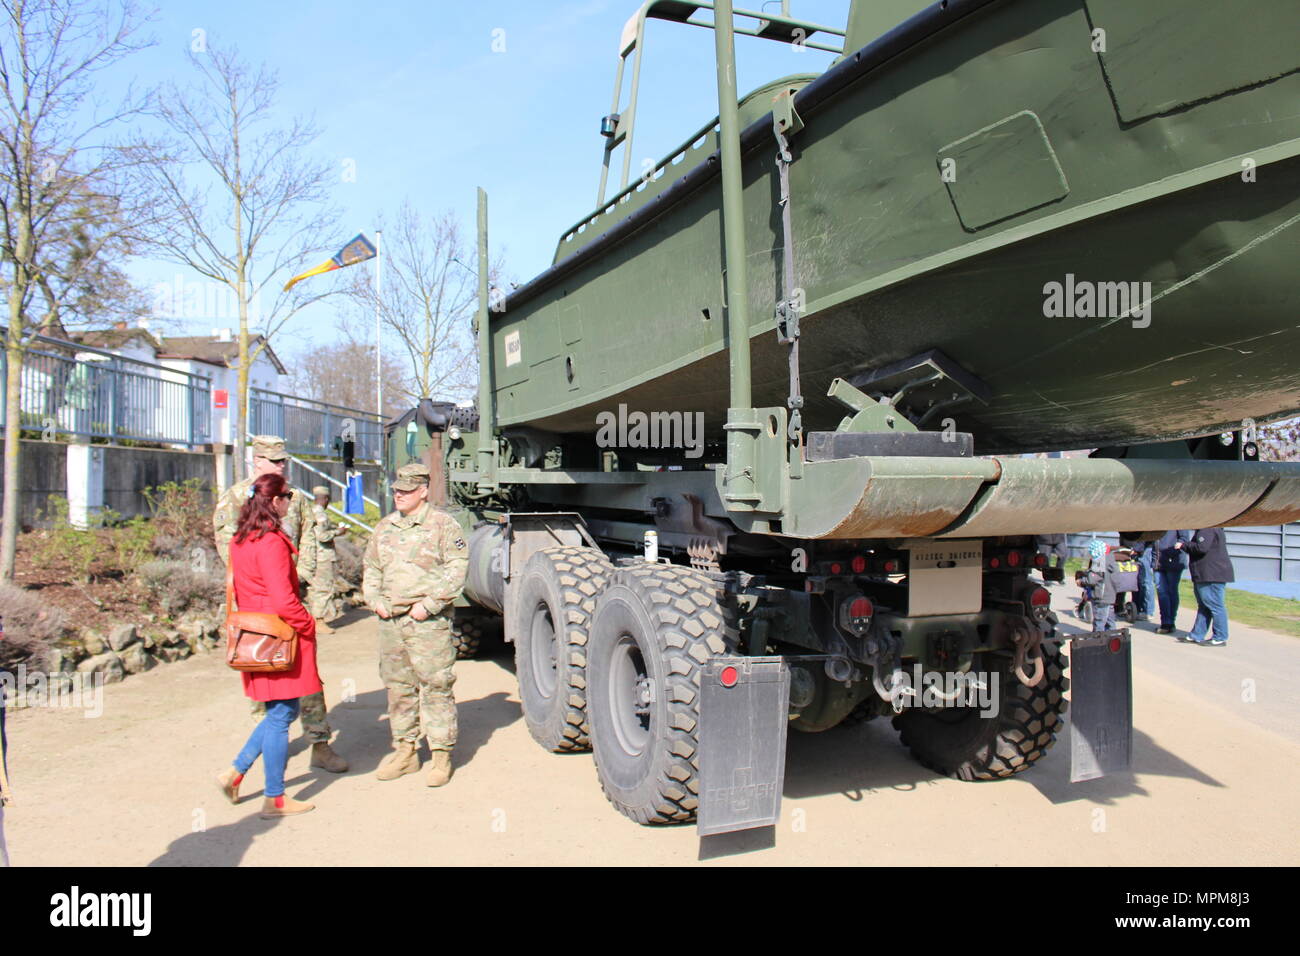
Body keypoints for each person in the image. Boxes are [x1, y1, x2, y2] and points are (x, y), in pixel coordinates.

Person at [213, 435, 347, 773]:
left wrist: (297, 577)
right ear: (256, 461)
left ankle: (319, 742)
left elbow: (310, 540)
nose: (281, 466)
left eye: (283, 460)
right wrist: (261, 584)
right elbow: (229, 548)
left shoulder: (295, 497)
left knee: (307, 679)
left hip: (289, 596)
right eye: (274, 462)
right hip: (256, 607)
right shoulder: (236, 498)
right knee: (265, 675)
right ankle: (273, 744)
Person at [216, 473, 322, 819]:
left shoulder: (240, 539)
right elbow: (283, 599)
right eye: (288, 495)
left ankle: (235, 773)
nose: (291, 501)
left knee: (280, 711)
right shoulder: (272, 542)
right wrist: (307, 624)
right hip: (278, 637)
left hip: (254, 635)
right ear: (275, 501)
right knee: (281, 716)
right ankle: (274, 797)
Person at [362, 462, 468, 787]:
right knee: (399, 689)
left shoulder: (443, 525)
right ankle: (405, 751)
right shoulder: (385, 527)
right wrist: (374, 600)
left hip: (427, 623)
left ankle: (440, 755)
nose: (399, 496)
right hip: (391, 622)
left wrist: (430, 604)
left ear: (422, 491)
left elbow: (457, 568)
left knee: (436, 688)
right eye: (396, 490)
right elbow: (371, 567)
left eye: (406, 491)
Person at [1181, 527, 1234, 646]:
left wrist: (1184, 545)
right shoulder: (1208, 528)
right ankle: (1197, 635)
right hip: (1206, 573)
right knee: (1204, 606)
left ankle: (1220, 636)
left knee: (1215, 605)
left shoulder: (1207, 529)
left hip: (1212, 574)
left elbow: (1202, 547)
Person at [306, 485, 347, 624]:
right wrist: (338, 532)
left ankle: (314, 618)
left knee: (315, 588)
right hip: (323, 556)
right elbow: (322, 536)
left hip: (313, 555)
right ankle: (319, 621)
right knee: (323, 588)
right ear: (326, 499)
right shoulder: (320, 514)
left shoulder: (310, 511)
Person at [1153, 530, 1192, 634]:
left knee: (1171, 591)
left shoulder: (1178, 521)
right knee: (1161, 592)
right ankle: (1165, 622)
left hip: (1173, 560)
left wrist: (1172, 552)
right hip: (1157, 560)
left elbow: (1183, 539)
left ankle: (1171, 621)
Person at [1082, 538, 1119, 631]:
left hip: (1101, 596)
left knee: (1099, 619)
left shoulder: (1099, 562)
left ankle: (1097, 638)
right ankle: (1112, 636)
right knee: (1109, 619)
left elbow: (1092, 579)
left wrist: (1082, 580)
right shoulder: (1111, 560)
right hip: (1110, 595)